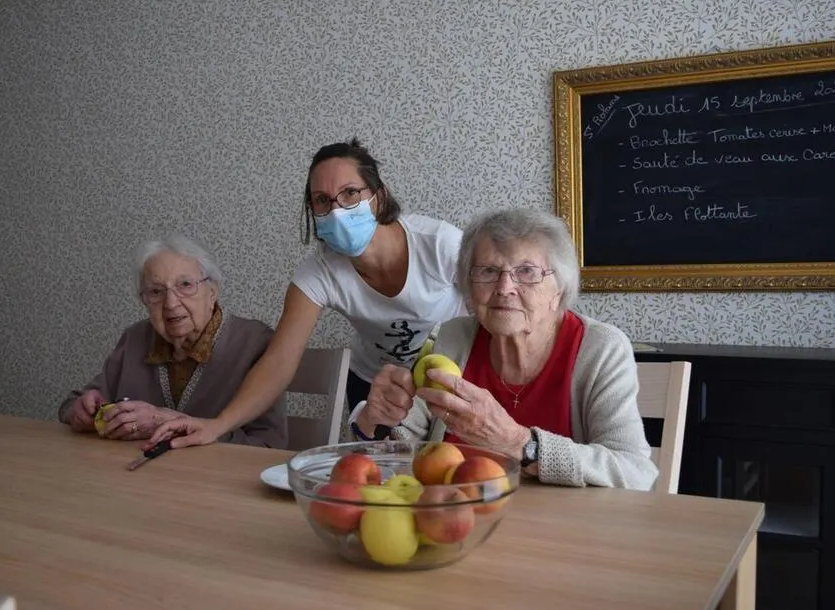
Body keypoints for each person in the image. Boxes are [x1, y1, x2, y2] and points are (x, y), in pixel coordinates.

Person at [145, 138, 466, 450]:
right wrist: (218, 425)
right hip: (376, 383)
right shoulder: (318, 273)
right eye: (323, 200)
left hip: (451, 375)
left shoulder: (440, 245)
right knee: (385, 481)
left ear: (379, 197)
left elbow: (493, 312)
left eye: (350, 193)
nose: (337, 210)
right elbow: (280, 359)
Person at [351, 208, 657, 490]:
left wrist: (519, 442)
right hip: (462, 520)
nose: (504, 287)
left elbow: (634, 472)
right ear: (468, 287)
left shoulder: (600, 349)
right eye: (486, 271)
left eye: (526, 271)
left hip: (566, 535)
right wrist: (376, 419)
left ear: (559, 288)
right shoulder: (454, 337)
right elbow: (399, 449)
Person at [58, 235, 287, 448]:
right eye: (156, 291)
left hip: (214, 485)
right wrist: (80, 411)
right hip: (136, 480)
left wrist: (172, 425)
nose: (171, 303)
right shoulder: (135, 339)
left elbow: (268, 446)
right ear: (144, 300)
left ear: (213, 292)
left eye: (185, 285)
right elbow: (71, 405)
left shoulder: (254, 343)